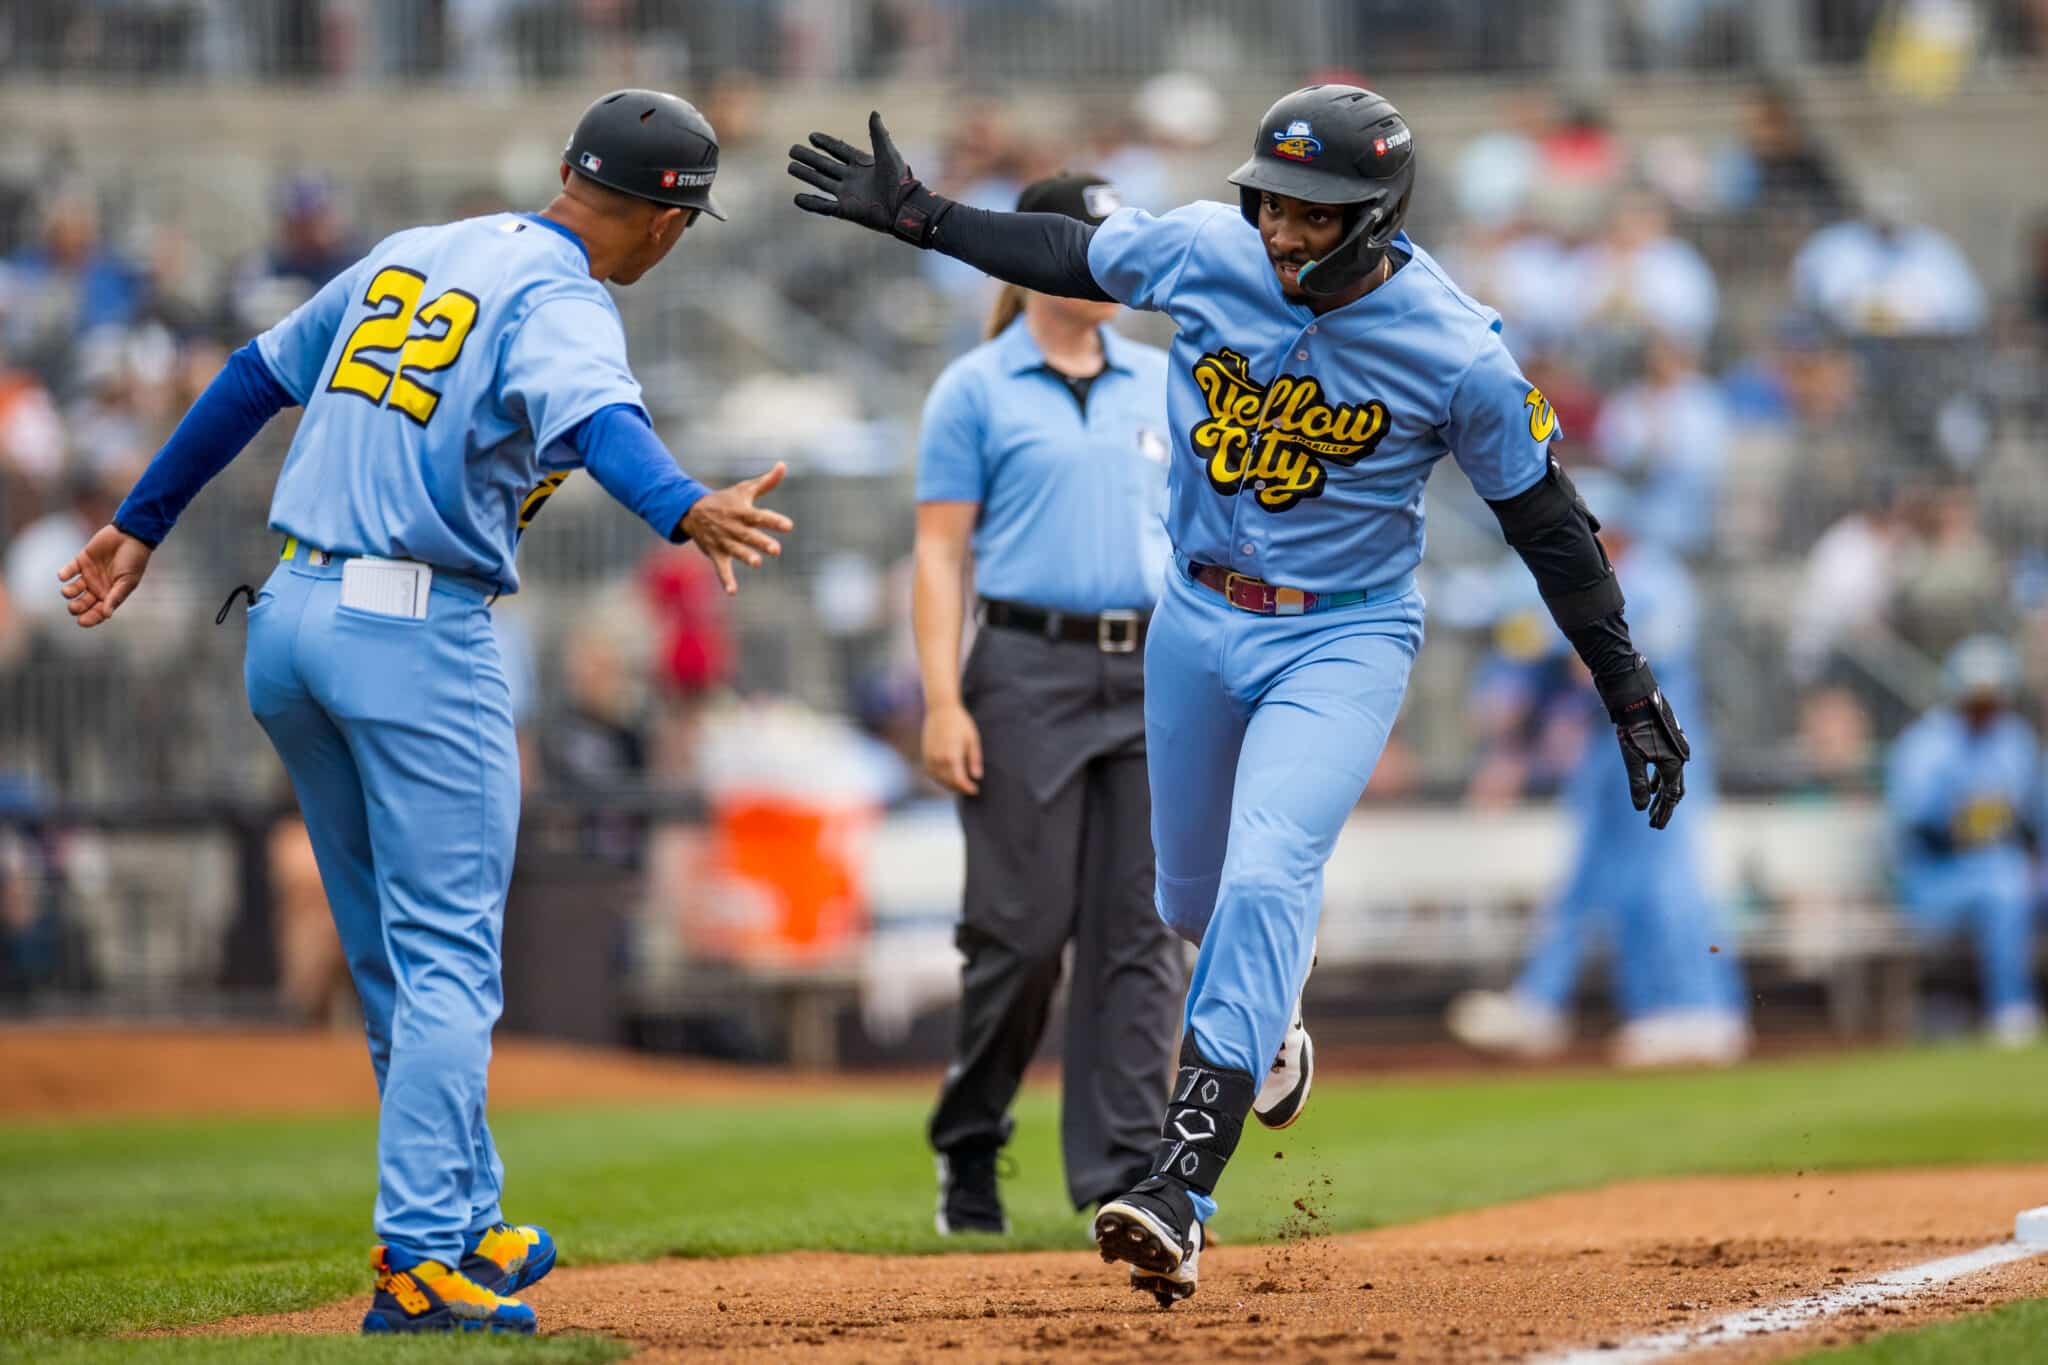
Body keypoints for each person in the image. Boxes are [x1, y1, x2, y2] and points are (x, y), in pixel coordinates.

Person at [788, 86, 1691, 1305]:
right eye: (1267, 198)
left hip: (1343, 637)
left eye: (1310, 214)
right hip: (1196, 617)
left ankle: (1178, 1184)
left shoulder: (1455, 347)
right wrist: (923, 216)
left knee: (1268, 873)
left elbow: (1548, 526)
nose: (1277, 228)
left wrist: (1624, 690)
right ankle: (1269, 1025)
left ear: (1375, 219)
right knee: (1189, 897)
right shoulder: (1213, 251)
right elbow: (1071, 252)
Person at [58, 89, 793, 1334]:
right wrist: (682, 508)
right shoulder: (567, 298)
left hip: (289, 619)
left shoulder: (421, 247)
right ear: (666, 226)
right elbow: (600, 424)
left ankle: (460, 1220)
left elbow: (251, 378)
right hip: (410, 631)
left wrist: (139, 523)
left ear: (569, 170)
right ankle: (415, 1260)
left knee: (396, 955)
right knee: (449, 952)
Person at [913, 172, 1185, 1236]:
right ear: (1036, 253)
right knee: (1018, 937)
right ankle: (970, 1137)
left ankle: (1122, 1178)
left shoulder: (1162, 379)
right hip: (1025, 670)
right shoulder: (974, 389)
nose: (1117, 263)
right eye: (1094, 242)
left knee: (1141, 933)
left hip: (1156, 668)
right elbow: (939, 557)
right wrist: (943, 699)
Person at [1447, 477, 1747, 1068]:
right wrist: (1511, 729)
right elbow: (1517, 666)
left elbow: (1621, 663)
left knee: (1664, 875)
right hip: (1602, 744)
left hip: (1658, 738)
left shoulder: (1659, 579)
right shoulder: (1560, 575)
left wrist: (1548, 679)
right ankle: (1548, 1003)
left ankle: (1701, 1009)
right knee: (1593, 875)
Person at [1886, 636, 2042, 1046]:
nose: (1985, 708)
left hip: (2006, 866)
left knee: (2013, 878)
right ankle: (2011, 1010)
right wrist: (1974, 822)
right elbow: (1919, 824)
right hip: (1937, 877)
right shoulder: (1927, 743)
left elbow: (2033, 816)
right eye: (1977, 698)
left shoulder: (2014, 739)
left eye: (1992, 698)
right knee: (2004, 886)